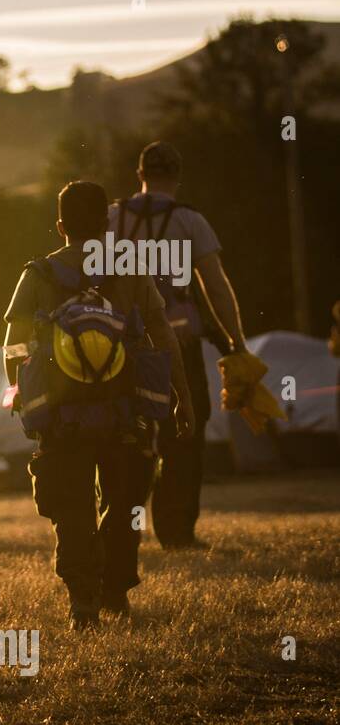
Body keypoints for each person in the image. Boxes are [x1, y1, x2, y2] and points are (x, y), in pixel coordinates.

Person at [4, 181, 195, 630]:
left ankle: (82, 601)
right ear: (106, 224)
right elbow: (163, 336)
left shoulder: (39, 273)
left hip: (61, 414)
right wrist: (181, 395)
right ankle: (114, 593)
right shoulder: (130, 270)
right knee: (124, 500)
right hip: (124, 411)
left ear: (60, 225)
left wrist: (23, 397)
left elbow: (13, 346)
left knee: (71, 507)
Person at [107, 142, 247, 549]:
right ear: (178, 176)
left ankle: (119, 527)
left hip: (122, 344)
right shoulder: (190, 220)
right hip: (178, 341)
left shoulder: (112, 216)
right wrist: (236, 342)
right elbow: (216, 288)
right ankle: (177, 533)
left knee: (126, 435)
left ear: (140, 175)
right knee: (183, 434)